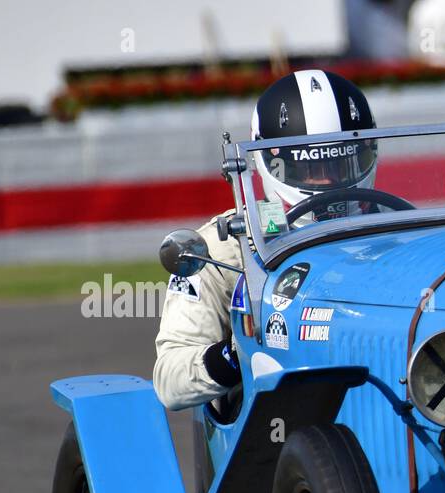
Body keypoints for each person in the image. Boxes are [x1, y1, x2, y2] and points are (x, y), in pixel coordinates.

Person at [153, 69, 378, 411]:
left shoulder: (398, 228)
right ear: (270, 164)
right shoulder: (224, 245)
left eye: (341, 163)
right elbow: (170, 379)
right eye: (310, 168)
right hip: (273, 431)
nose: (327, 180)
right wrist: (238, 351)